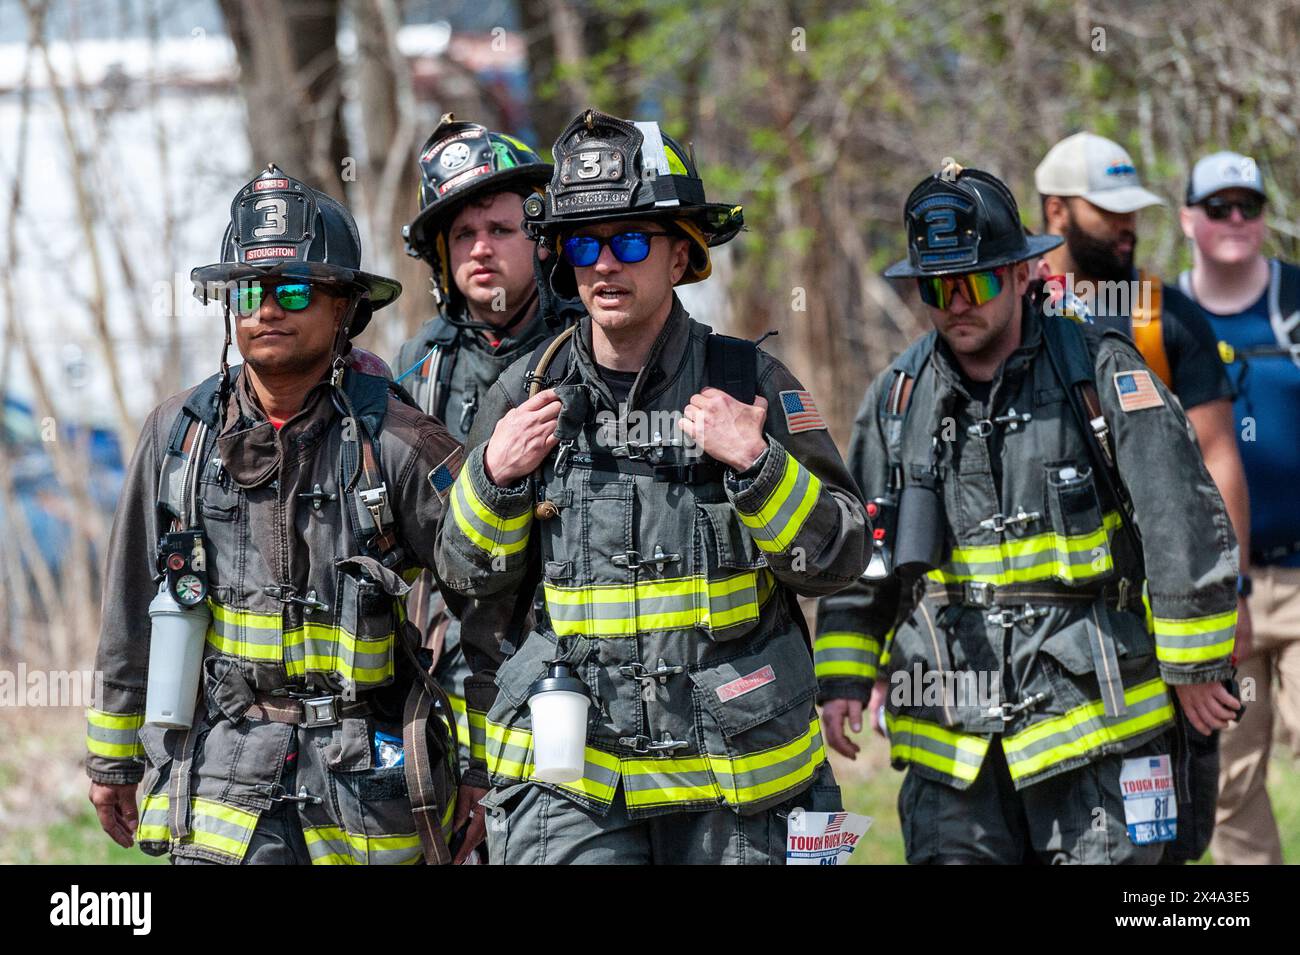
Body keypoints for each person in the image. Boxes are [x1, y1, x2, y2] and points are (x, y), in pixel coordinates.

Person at [435, 108, 868, 864]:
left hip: (737, 779)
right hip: (578, 781)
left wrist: (758, 466)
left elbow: (839, 555)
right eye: (585, 245)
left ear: (681, 256)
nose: (606, 264)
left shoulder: (751, 384)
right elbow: (466, 574)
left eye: (631, 240)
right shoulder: (524, 394)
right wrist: (495, 479)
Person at [817, 161, 1241, 864]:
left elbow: (1180, 515)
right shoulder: (897, 397)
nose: (957, 303)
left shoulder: (1103, 372)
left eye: (977, 281)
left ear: (1022, 274)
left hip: (1095, 732)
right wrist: (843, 677)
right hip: (952, 748)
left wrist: (1196, 666)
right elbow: (866, 550)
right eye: (937, 287)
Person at [85, 165, 464, 864]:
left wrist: (471, 764)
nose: (267, 308)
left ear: (345, 307)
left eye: (294, 289)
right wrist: (112, 760)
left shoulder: (406, 445)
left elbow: (490, 606)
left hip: (363, 792)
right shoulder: (178, 436)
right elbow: (130, 603)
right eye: (250, 290)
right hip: (220, 786)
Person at [392, 116, 568, 785]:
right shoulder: (416, 368)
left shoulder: (588, 346)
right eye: (463, 234)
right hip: (455, 658)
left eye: (500, 230)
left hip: (566, 655)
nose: (481, 249)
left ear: (541, 240)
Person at [1035, 135, 1252, 668]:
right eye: (1110, 211)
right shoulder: (1018, 316)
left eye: (1132, 211)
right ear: (1056, 210)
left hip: (1169, 605)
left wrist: (1233, 590)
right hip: (1055, 614)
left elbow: (1218, 454)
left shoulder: (1166, 317)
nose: (1126, 226)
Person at [1176, 150, 1300, 864]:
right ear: (1188, 218)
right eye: (1215, 206)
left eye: (1245, 207)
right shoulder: (1163, 317)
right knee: (1228, 777)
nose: (1232, 220)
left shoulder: (1293, 299)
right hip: (1219, 592)